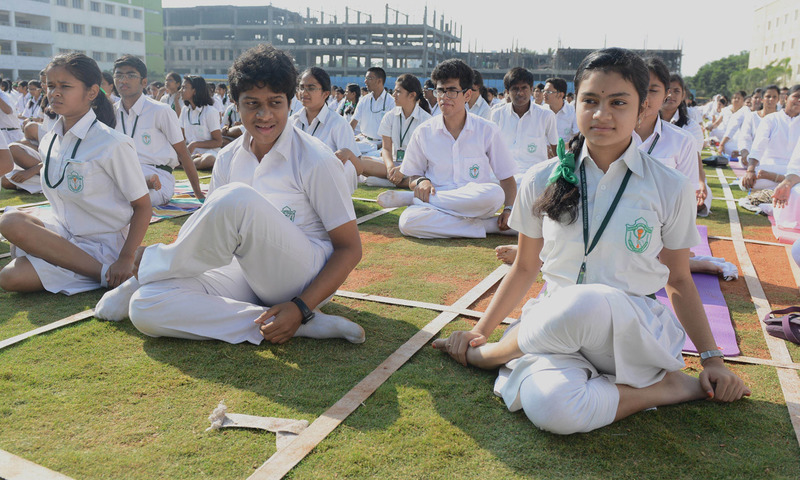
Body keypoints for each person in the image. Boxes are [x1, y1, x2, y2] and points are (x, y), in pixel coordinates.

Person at [432, 47, 749, 435]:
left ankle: (487, 357)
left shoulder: (670, 185)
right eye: (591, 101)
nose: (602, 114)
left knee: (584, 301)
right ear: (574, 103)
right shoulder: (541, 177)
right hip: (558, 332)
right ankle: (665, 389)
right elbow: (526, 267)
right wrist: (481, 326)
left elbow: (679, 279)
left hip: (632, 329)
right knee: (551, 408)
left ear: (643, 106)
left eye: (618, 102)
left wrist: (712, 359)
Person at [95, 44, 365, 346]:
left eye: (275, 103)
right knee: (146, 306)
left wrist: (302, 305)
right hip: (246, 270)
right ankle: (290, 324)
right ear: (235, 105)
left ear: (290, 103)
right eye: (252, 104)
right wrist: (299, 316)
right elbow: (209, 232)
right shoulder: (228, 158)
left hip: (303, 277)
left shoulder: (317, 159)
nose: (264, 115)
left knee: (237, 198)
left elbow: (349, 249)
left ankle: (148, 269)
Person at [0, 53, 151, 295]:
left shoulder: (112, 143)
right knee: (9, 221)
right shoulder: (49, 140)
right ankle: (104, 275)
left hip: (101, 245)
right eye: (51, 86)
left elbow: (143, 206)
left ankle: (105, 272)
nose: (55, 92)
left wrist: (126, 257)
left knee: (11, 278)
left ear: (91, 93)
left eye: (65, 86)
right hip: (62, 234)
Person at [376, 58, 517, 239]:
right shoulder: (424, 132)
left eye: (452, 91)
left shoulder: (487, 130)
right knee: (408, 222)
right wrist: (420, 182)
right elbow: (413, 176)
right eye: (441, 90)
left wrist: (509, 208)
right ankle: (487, 227)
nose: (444, 97)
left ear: (467, 95)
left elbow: (506, 178)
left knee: (495, 194)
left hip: (474, 203)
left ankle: (412, 199)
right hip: (435, 205)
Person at [112, 55, 205, 206]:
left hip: (158, 177)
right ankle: (140, 182)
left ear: (144, 82)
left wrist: (198, 193)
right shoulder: (111, 113)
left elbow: (183, 152)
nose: (123, 80)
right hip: (123, 175)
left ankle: (146, 181)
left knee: (129, 199)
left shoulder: (160, 110)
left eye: (130, 75)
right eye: (119, 75)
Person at [289, 66, 362, 193]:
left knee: (348, 166)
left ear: (325, 94)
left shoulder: (338, 124)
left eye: (311, 88)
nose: (304, 93)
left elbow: (359, 169)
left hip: (324, 185)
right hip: (295, 181)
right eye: (301, 87)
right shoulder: (292, 122)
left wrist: (349, 154)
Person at [490, 67, 558, 183]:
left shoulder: (546, 116)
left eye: (524, 88)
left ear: (531, 89)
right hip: (504, 177)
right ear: (507, 92)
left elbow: (555, 149)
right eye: (515, 89)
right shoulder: (497, 115)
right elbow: (490, 149)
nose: (520, 93)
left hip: (535, 178)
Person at [364, 73, 432, 188]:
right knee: (360, 163)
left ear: (412, 95)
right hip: (393, 164)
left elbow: (424, 156)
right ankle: (398, 181)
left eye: (398, 92)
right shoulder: (390, 116)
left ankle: (392, 183)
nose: (393, 95)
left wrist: (402, 169)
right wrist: (390, 167)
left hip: (415, 167)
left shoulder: (426, 120)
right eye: (394, 91)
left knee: (428, 176)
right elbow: (386, 148)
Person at [742, 85, 800, 192]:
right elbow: (758, 146)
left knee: (795, 180)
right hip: (770, 165)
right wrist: (750, 170)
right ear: (786, 98)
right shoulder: (771, 119)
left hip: (794, 170)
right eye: (796, 96)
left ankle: (776, 180)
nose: (799, 100)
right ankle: (785, 184)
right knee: (746, 183)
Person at [179, 75, 222, 170]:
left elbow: (218, 142)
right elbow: (180, 137)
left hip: (208, 153)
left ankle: (183, 164)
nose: (181, 91)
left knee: (209, 159)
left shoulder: (210, 111)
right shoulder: (185, 110)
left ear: (194, 91)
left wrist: (195, 144)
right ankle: (187, 162)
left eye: (184, 87)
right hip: (189, 152)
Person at [350, 67, 395, 153]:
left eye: (369, 78)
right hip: (364, 142)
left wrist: (380, 146)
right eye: (365, 78)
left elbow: (394, 131)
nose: (365, 81)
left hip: (382, 145)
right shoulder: (364, 100)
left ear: (379, 81)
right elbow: (353, 122)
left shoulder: (391, 102)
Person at [739, 85, 780, 167]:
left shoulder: (781, 118)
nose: (771, 99)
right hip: (752, 158)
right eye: (768, 96)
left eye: (774, 97)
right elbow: (745, 138)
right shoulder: (752, 116)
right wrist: (745, 153)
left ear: (778, 99)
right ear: (762, 99)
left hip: (774, 160)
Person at [543, 77, 579, 143]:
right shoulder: (541, 111)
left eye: (548, 92)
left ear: (560, 95)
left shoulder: (572, 111)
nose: (544, 94)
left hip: (565, 151)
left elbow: (577, 135)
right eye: (544, 91)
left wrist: (563, 148)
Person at [716, 90, 748, 159]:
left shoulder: (745, 110)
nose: (736, 100)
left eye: (739, 98)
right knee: (727, 147)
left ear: (743, 101)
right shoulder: (726, 110)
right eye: (735, 98)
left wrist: (722, 144)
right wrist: (722, 144)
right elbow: (731, 129)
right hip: (729, 138)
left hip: (744, 142)